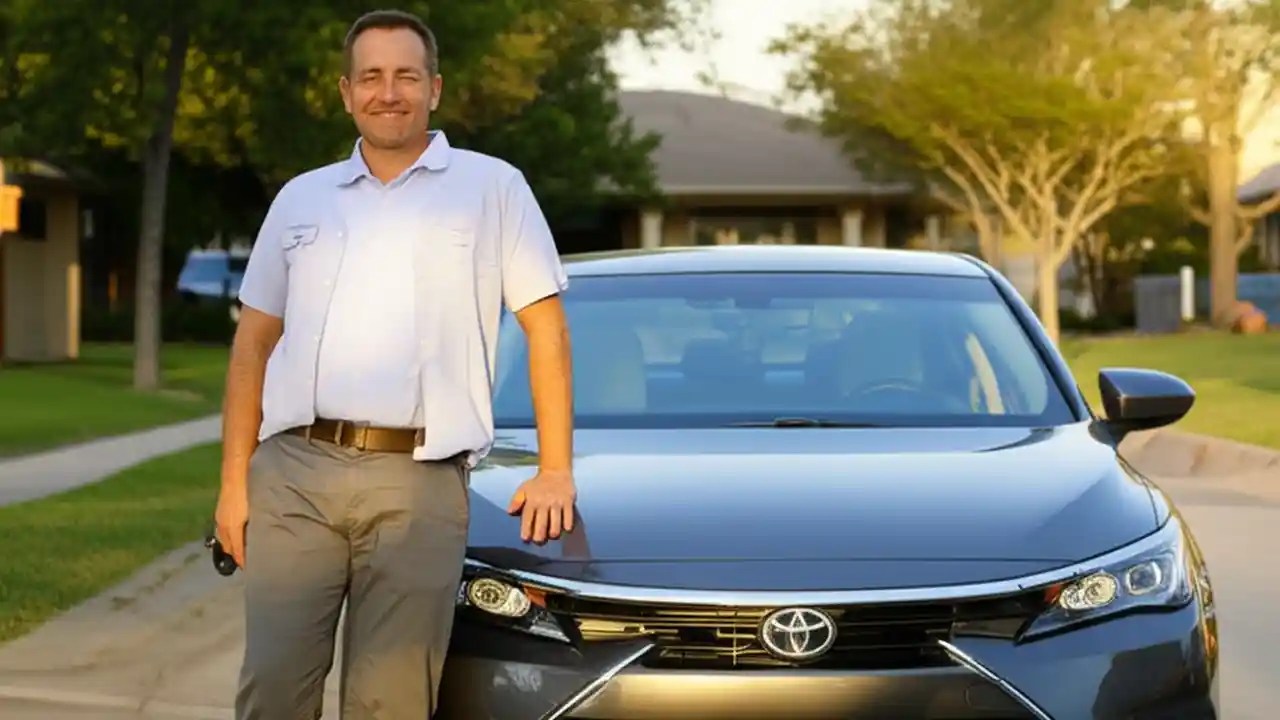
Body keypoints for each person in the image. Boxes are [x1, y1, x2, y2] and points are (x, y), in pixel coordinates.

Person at [214, 9, 577, 719]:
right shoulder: (300, 198)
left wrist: (555, 467)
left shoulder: (494, 188)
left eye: (406, 75)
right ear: (346, 92)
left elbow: (547, 332)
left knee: (394, 702)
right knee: (273, 689)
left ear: (435, 88)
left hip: (420, 485)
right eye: (372, 77)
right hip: (294, 477)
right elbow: (251, 348)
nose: (390, 91)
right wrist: (233, 485)